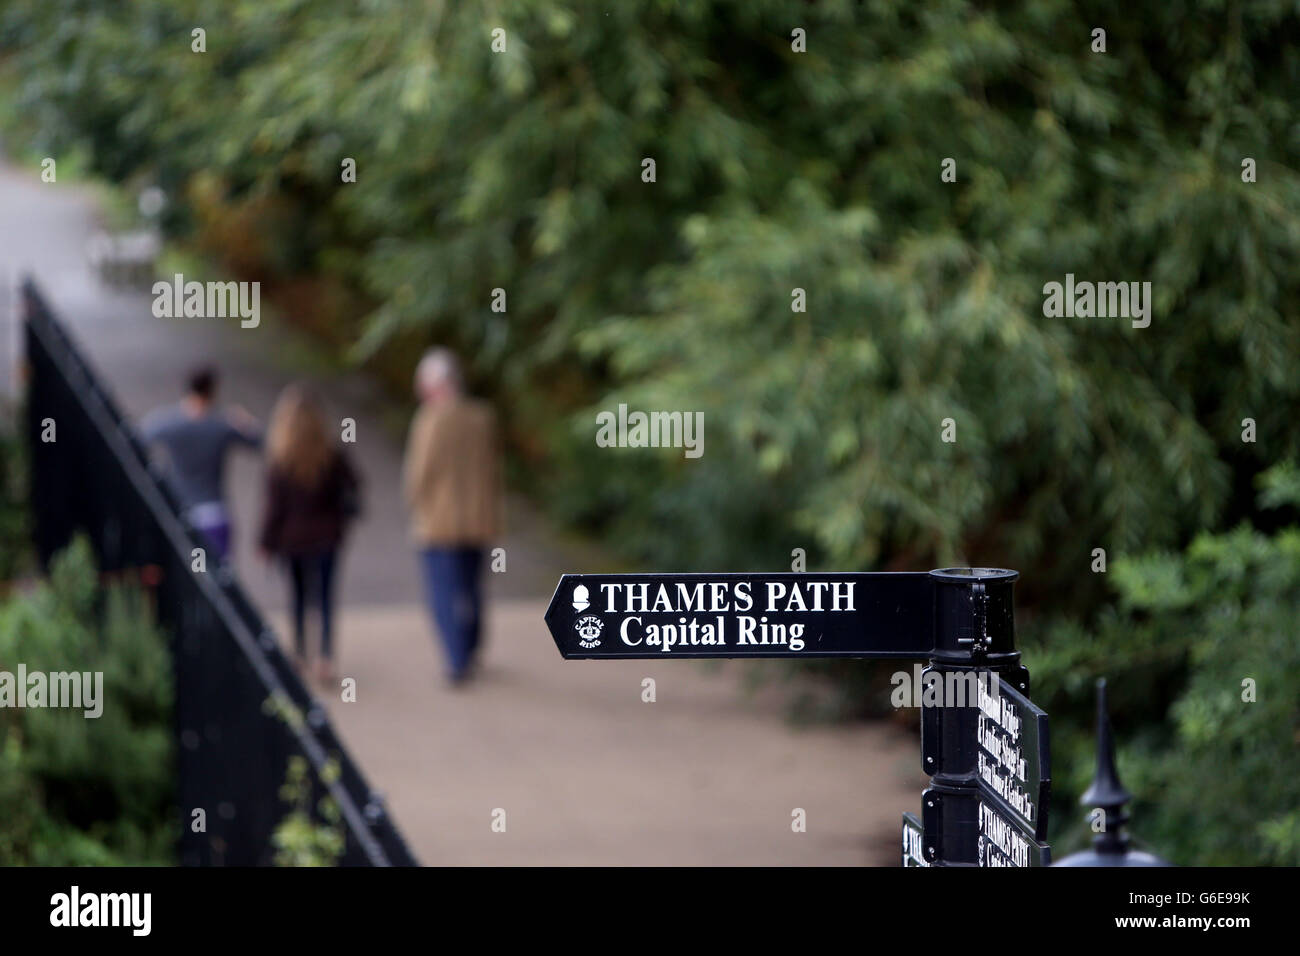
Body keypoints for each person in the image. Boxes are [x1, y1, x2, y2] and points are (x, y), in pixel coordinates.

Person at [402, 349, 502, 686]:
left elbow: (420, 472)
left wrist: (413, 502)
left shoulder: (430, 419)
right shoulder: (481, 417)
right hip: (476, 519)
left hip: (439, 524)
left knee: (443, 593)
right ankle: (471, 647)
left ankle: (457, 659)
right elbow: (492, 469)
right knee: (472, 588)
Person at [257, 384, 360, 683]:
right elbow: (353, 488)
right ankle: (325, 656)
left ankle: (301, 654)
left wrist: (265, 542)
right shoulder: (333, 455)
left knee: (299, 598)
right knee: (326, 598)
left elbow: (273, 508)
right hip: (327, 538)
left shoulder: (281, 460)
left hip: (294, 540)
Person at [140, 365, 261, 559]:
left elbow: (138, 437)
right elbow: (259, 443)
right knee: (218, 576)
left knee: (195, 570)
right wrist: (245, 421)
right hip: (214, 514)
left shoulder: (169, 422)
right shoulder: (222, 424)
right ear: (212, 389)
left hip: (183, 511)